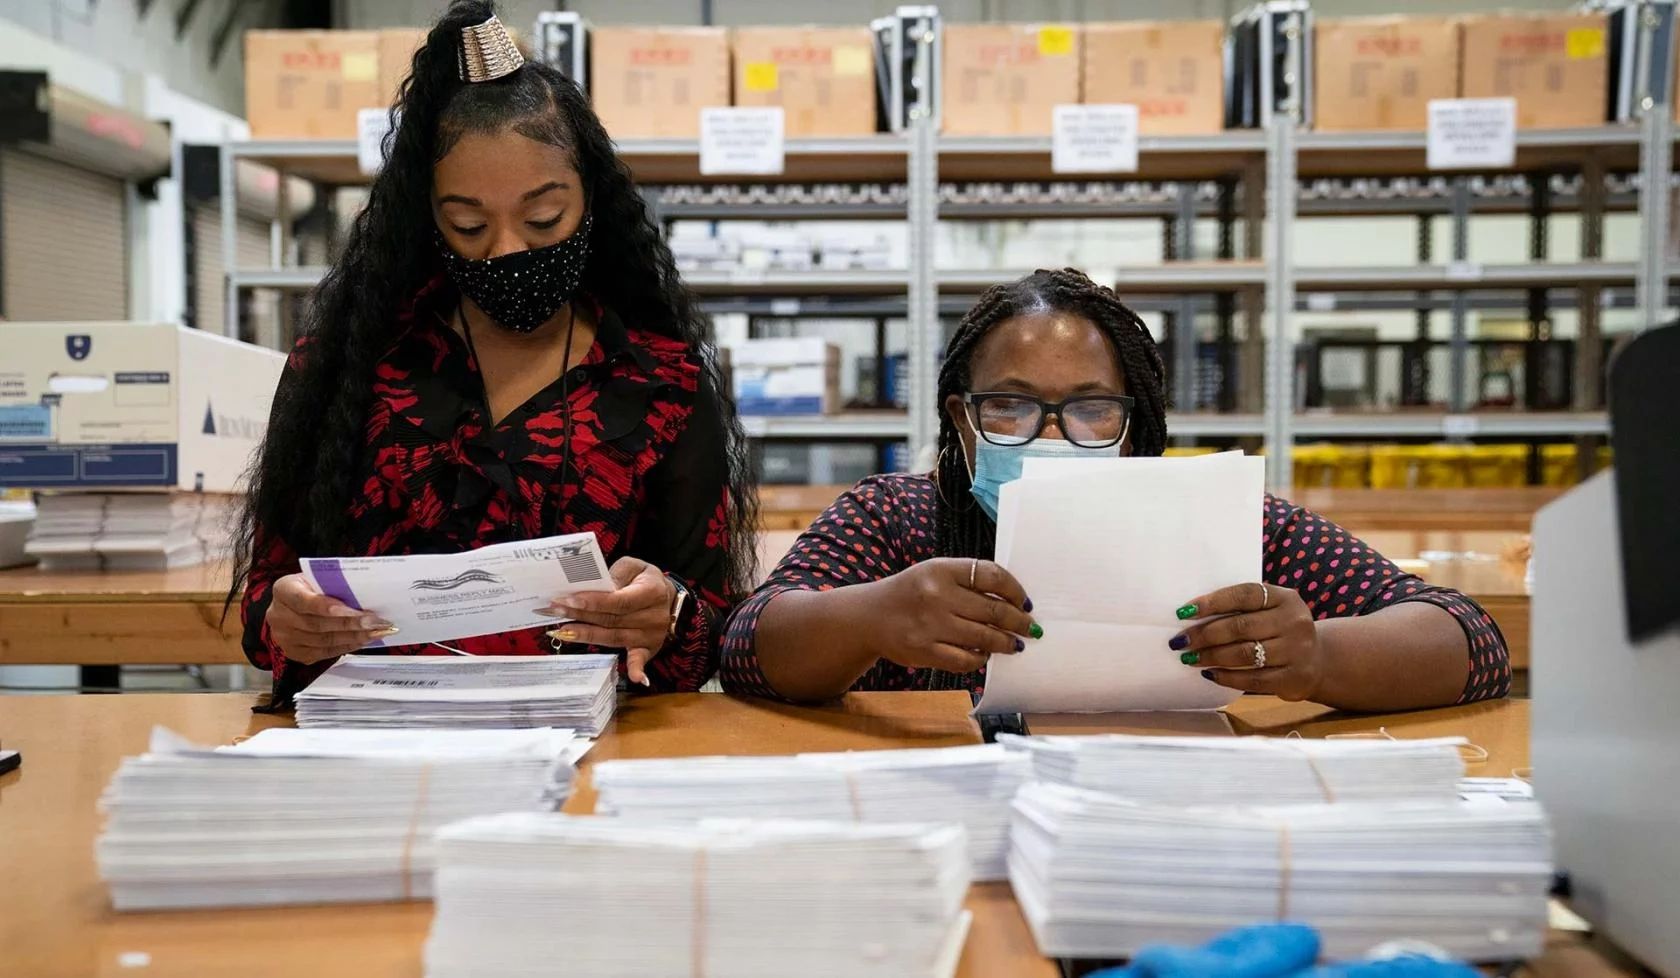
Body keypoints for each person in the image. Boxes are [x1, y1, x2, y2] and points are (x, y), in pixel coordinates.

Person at [231, 1, 756, 707]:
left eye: (544, 218)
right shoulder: (347, 366)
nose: (507, 249)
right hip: (368, 746)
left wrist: (669, 614)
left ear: (593, 202)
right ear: (429, 221)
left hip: (588, 753)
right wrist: (285, 619)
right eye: (468, 224)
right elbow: (269, 593)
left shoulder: (660, 383)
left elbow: (716, 622)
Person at [721, 268, 1510, 712]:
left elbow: (1470, 642)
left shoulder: (1226, 529)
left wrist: (1319, 656)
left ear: (1137, 423)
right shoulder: (895, 520)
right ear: (962, 420)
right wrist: (872, 615)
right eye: (1011, 404)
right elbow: (748, 647)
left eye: (1091, 408)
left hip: (1161, 831)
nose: (1052, 434)